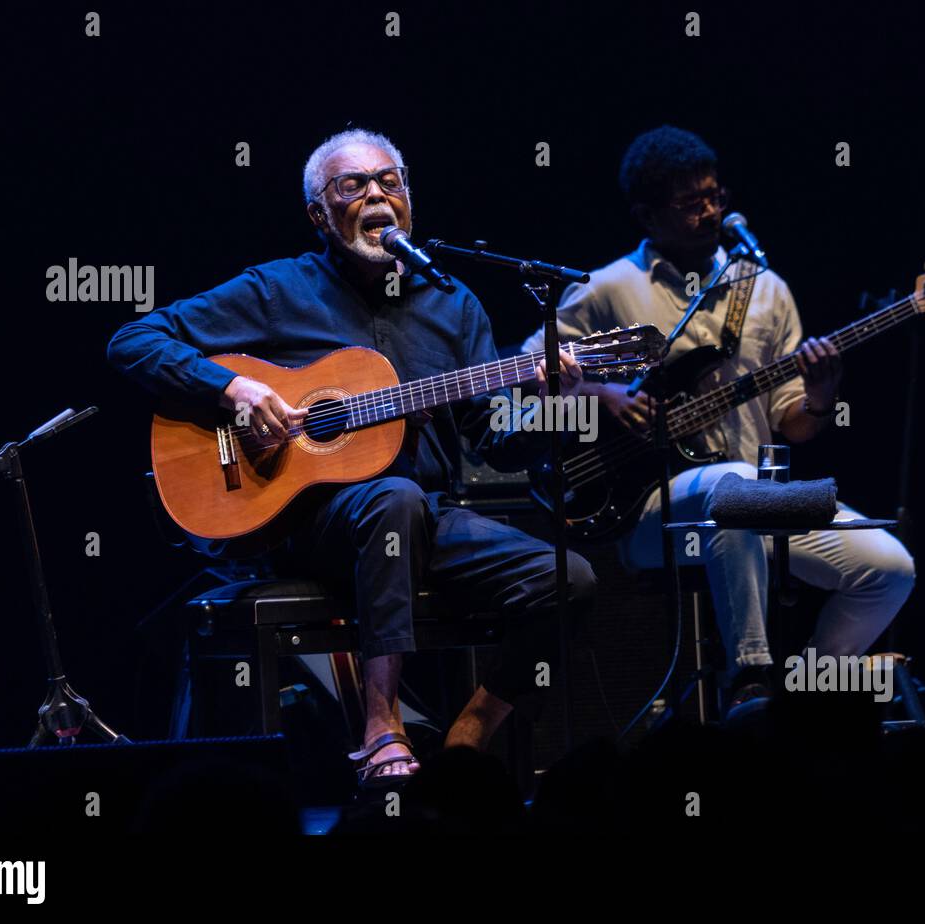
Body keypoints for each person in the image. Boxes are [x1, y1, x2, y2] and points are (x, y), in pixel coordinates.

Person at [109, 128, 595, 787]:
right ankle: (381, 726)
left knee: (571, 577)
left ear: (409, 203)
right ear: (319, 214)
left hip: (427, 517)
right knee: (389, 500)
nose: (376, 195)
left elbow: (494, 439)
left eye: (390, 182)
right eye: (353, 186)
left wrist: (551, 402)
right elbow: (134, 339)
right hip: (304, 523)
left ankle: (471, 731)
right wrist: (234, 388)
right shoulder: (276, 291)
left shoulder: (453, 304)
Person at [522, 126, 914, 713]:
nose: (709, 212)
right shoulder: (608, 289)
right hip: (644, 506)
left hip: (756, 495)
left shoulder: (766, 289)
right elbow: (532, 363)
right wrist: (606, 395)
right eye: (690, 202)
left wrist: (822, 395)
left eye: (714, 196)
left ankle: (805, 694)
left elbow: (794, 424)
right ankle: (750, 679)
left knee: (888, 566)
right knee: (732, 489)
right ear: (648, 216)